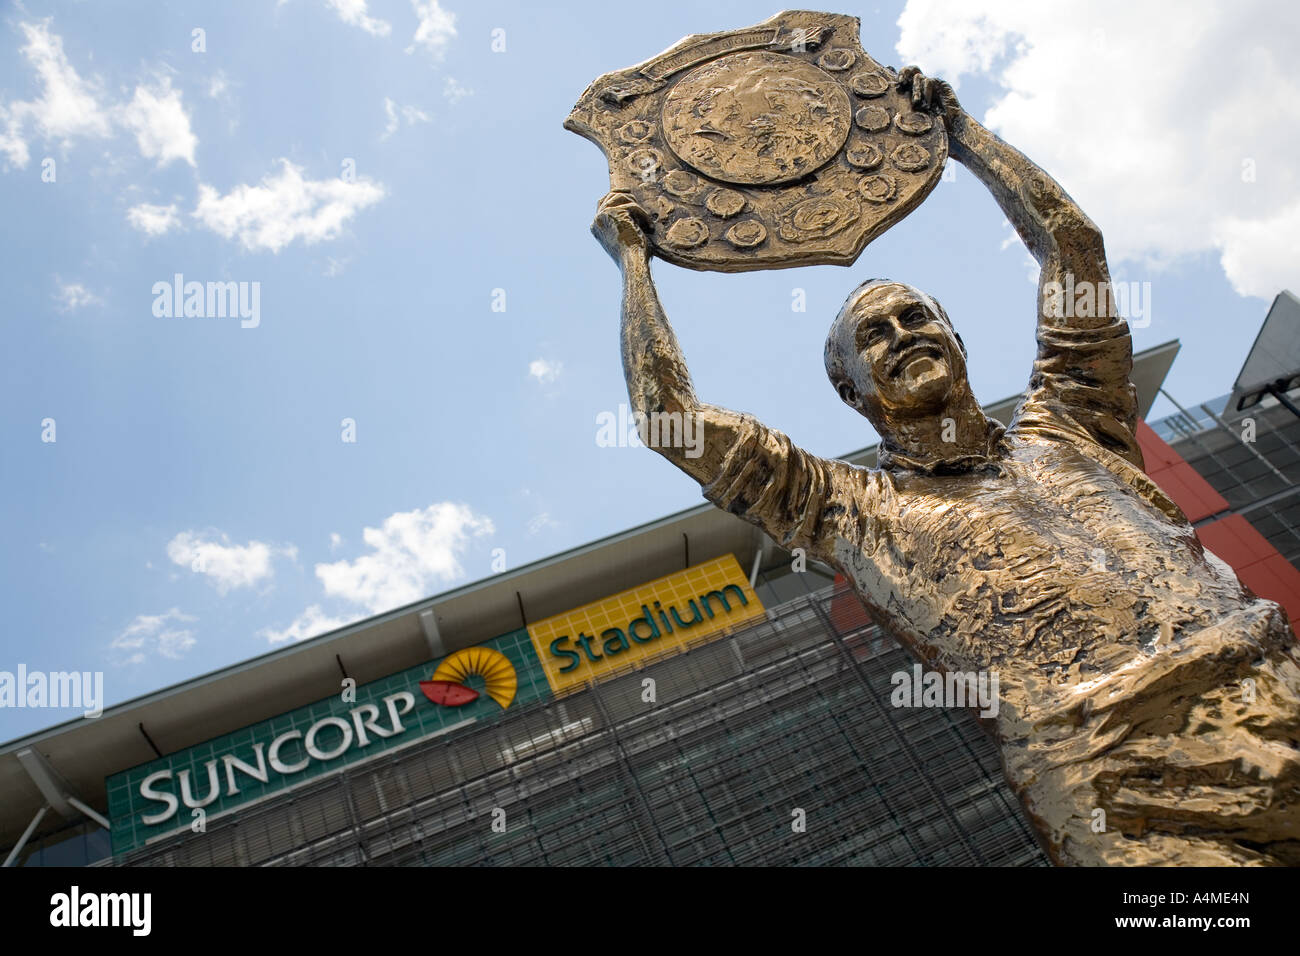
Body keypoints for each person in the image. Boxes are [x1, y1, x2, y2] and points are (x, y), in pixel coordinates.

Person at [590, 66, 1300, 866]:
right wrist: (635, 265)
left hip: (1269, 684)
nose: (902, 336)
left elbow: (1073, 243)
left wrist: (964, 137)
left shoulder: (1076, 419)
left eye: (915, 316)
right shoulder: (849, 511)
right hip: (1116, 778)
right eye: (875, 337)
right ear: (849, 390)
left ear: (957, 338)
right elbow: (670, 420)